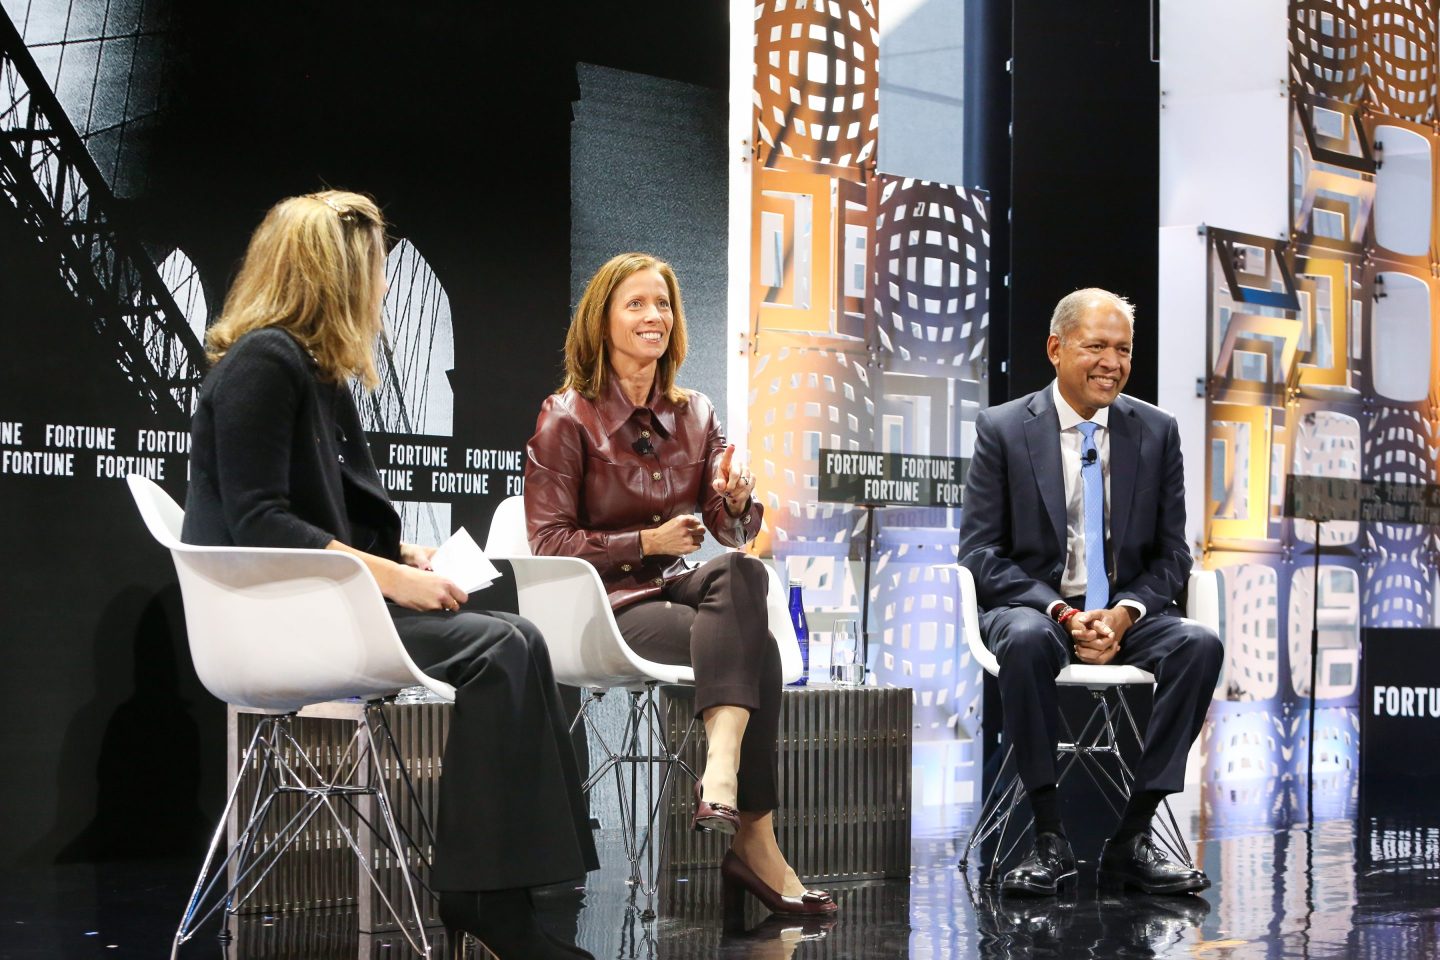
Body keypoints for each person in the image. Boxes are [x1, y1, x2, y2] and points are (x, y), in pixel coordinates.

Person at [182, 191, 597, 959]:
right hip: (275, 621)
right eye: (373, 272)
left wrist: (401, 557)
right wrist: (392, 579)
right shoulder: (261, 365)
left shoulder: (314, 376)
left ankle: (514, 890)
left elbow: (321, 520)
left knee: (520, 637)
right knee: (498, 649)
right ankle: (482, 897)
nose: (382, 291)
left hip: (322, 603)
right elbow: (260, 522)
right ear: (333, 277)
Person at [524, 252, 838, 919]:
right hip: (603, 606)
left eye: (662, 304)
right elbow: (547, 543)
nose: (654, 317)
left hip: (674, 591)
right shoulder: (566, 417)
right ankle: (755, 839)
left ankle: (722, 766)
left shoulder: (694, 412)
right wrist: (644, 543)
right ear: (601, 321)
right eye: (636, 304)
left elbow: (729, 534)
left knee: (745, 571)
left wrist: (738, 501)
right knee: (763, 653)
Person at [957, 288, 1222, 896]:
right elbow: (979, 551)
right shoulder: (1002, 428)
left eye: (1123, 349)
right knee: (1023, 640)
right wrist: (1060, 611)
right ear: (1056, 348)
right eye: (1096, 346)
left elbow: (1173, 554)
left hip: (1122, 613)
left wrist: (1126, 614)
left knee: (1199, 645)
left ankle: (1132, 835)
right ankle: (1048, 836)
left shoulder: (1156, 431)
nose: (1112, 362)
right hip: (1036, 609)